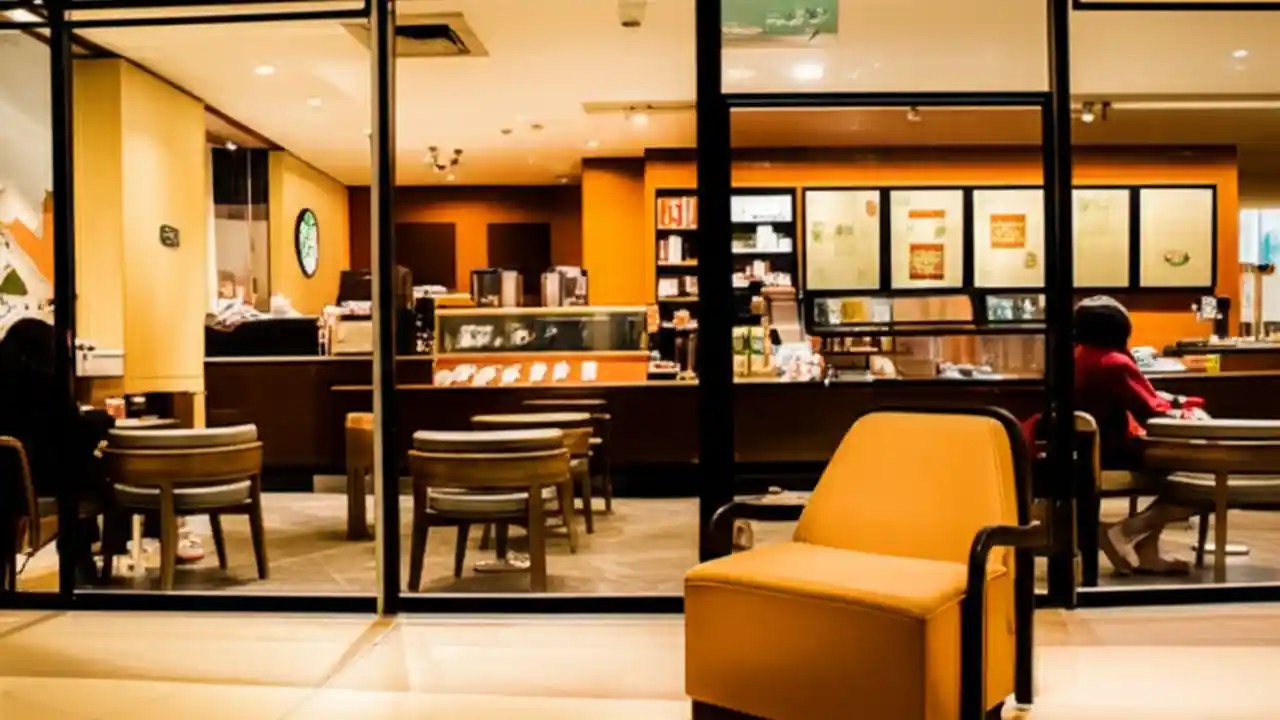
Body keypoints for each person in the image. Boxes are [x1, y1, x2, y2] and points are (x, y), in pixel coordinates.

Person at [1073, 296, 1203, 575]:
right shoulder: (1115, 362)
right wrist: (1184, 409)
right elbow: (1149, 411)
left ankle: (1147, 550)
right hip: (1113, 449)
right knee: (1202, 476)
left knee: (1186, 474)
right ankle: (1129, 531)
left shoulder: (1078, 355)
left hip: (1086, 447)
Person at [0, 318, 113, 579]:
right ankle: (81, 559)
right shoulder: (45, 384)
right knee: (94, 477)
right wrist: (102, 420)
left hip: (8, 483)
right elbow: (69, 432)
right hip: (36, 482)